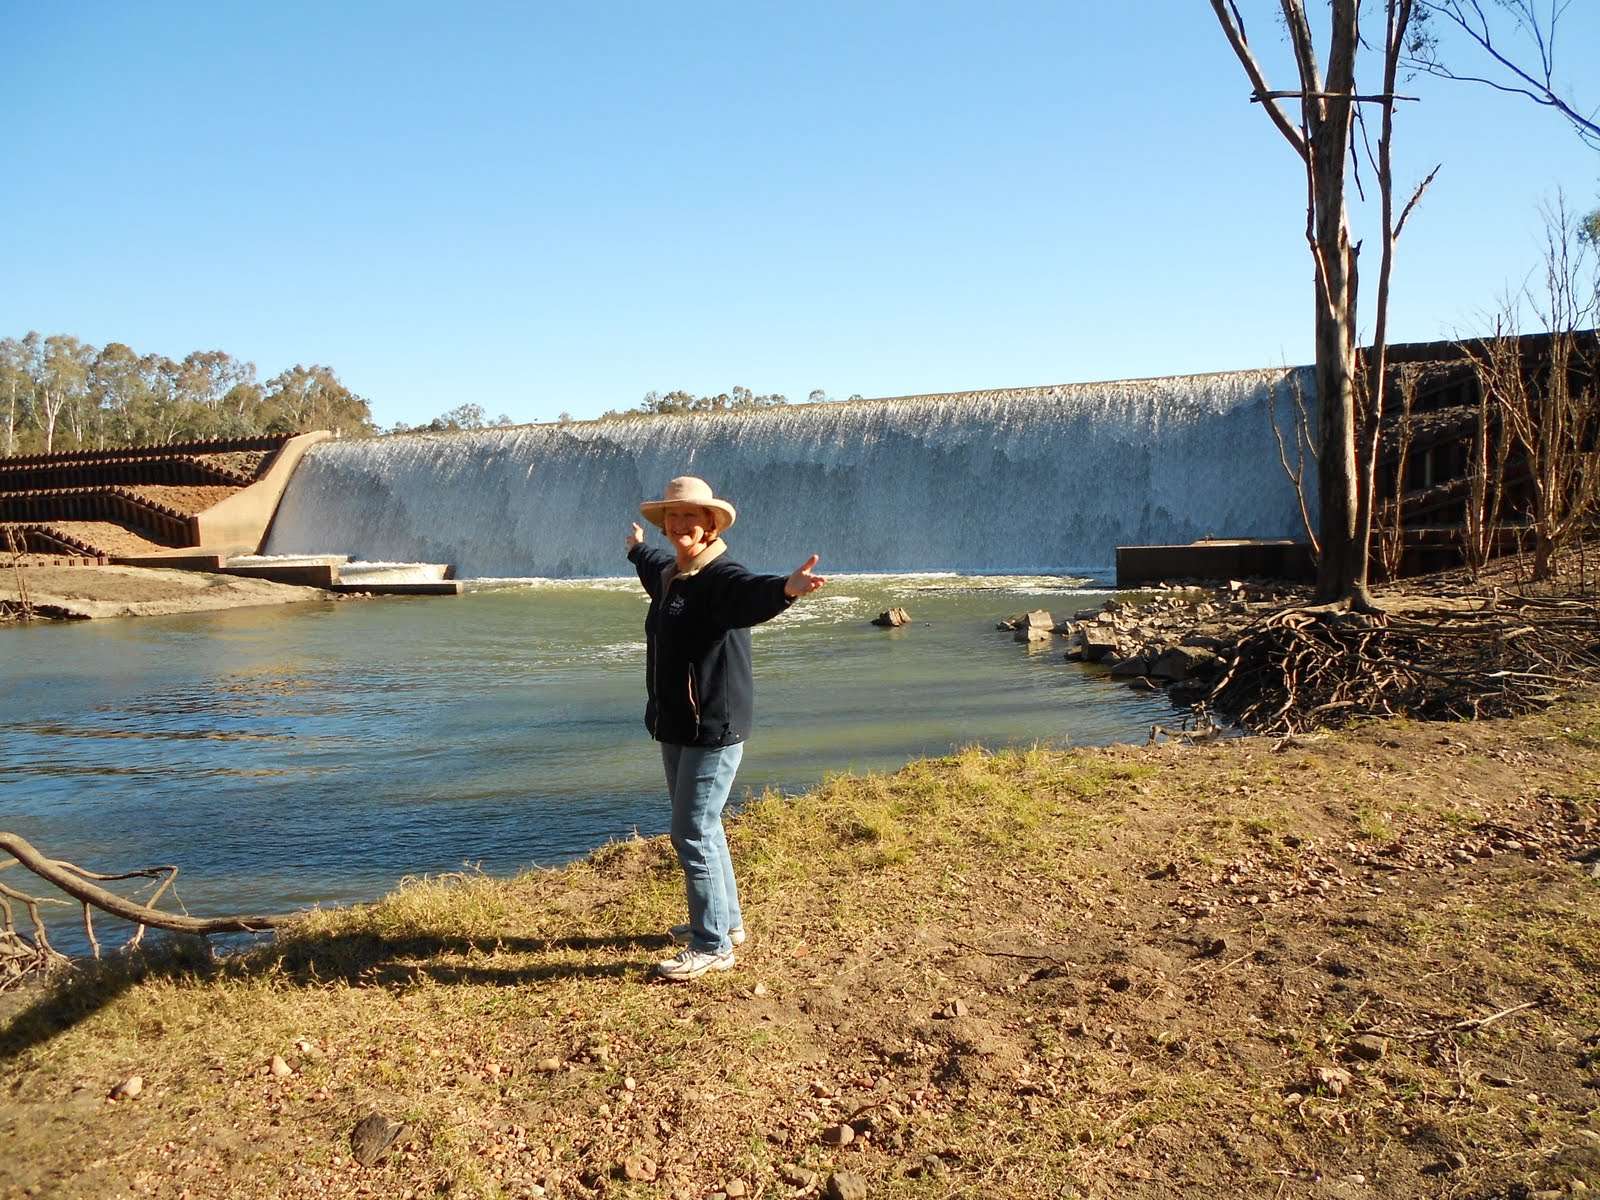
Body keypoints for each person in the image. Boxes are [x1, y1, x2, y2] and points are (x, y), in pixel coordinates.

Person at [625, 476, 827, 981]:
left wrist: (786, 588)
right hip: (678, 722)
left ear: (712, 524)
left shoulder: (720, 577)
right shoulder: (675, 572)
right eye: (672, 517)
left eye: (691, 517)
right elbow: (653, 567)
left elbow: (748, 593)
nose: (680, 525)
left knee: (690, 831)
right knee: (703, 826)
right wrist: (636, 550)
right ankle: (726, 923)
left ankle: (712, 944)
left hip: (712, 725)